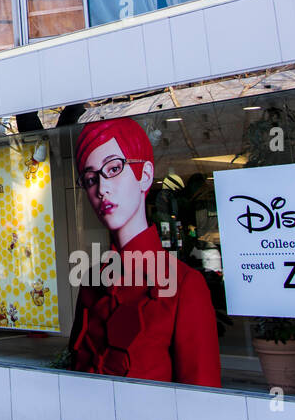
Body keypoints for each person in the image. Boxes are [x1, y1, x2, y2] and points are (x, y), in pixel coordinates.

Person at [67, 118, 221, 387]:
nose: (102, 190)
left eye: (113, 169)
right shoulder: (93, 280)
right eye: (91, 179)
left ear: (145, 175)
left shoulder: (185, 286)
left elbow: (202, 394)